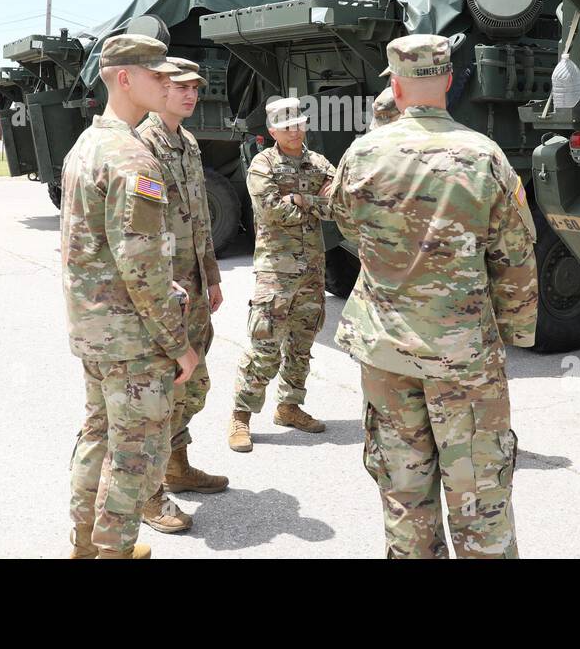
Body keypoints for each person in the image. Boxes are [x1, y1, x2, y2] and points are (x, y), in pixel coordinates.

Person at [328, 34, 539, 558]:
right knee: (479, 494)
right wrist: (514, 332)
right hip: (462, 352)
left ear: (395, 87)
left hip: (386, 352)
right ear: (447, 81)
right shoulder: (485, 156)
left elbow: (344, 225)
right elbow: (515, 255)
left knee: (403, 491)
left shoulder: (362, 154)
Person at [61, 34, 198, 560]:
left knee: (98, 436)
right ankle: (113, 551)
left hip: (94, 328)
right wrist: (179, 343)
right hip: (131, 337)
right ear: (125, 79)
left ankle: (85, 546)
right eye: (158, 76)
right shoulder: (131, 158)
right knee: (134, 452)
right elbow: (142, 267)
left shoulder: (89, 143)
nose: (167, 85)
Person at [136, 56, 227, 534]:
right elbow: (139, 230)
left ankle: (176, 464)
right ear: (159, 89)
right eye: (181, 87)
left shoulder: (187, 143)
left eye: (195, 87)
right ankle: (148, 493)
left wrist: (211, 276)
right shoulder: (142, 143)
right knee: (157, 389)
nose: (191, 95)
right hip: (160, 289)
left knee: (192, 384)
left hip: (192, 286)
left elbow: (200, 219)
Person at [228, 97, 335, 451]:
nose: (294, 130)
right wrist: (310, 203)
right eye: (286, 125)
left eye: (299, 123)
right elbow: (271, 210)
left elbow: (339, 201)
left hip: (312, 269)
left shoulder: (316, 161)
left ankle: (290, 407)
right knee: (266, 345)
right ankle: (241, 416)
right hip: (277, 270)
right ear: (272, 130)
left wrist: (301, 201)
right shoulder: (263, 164)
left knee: (302, 343)